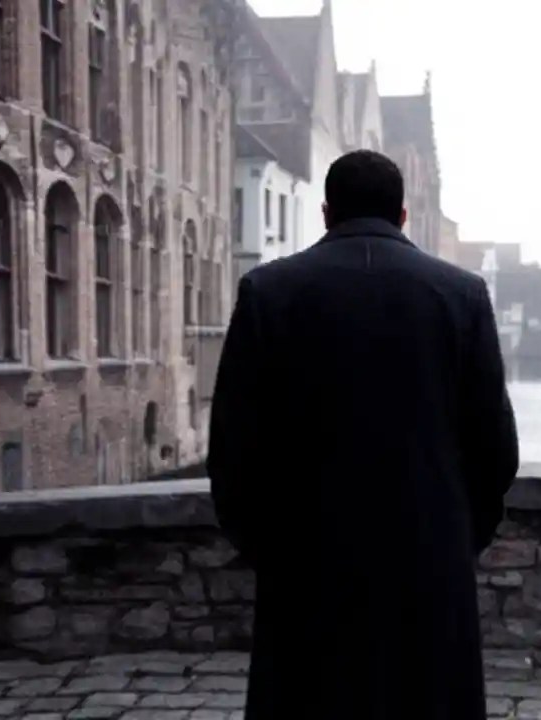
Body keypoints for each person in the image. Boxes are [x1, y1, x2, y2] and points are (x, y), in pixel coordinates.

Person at [207, 149, 519, 720]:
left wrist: (265, 543)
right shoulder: (462, 294)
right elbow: (494, 444)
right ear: (403, 216)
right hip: (428, 551)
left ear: (326, 213)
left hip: (307, 551)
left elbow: (233, 442)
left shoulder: (267, 291)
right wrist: (458, 536)